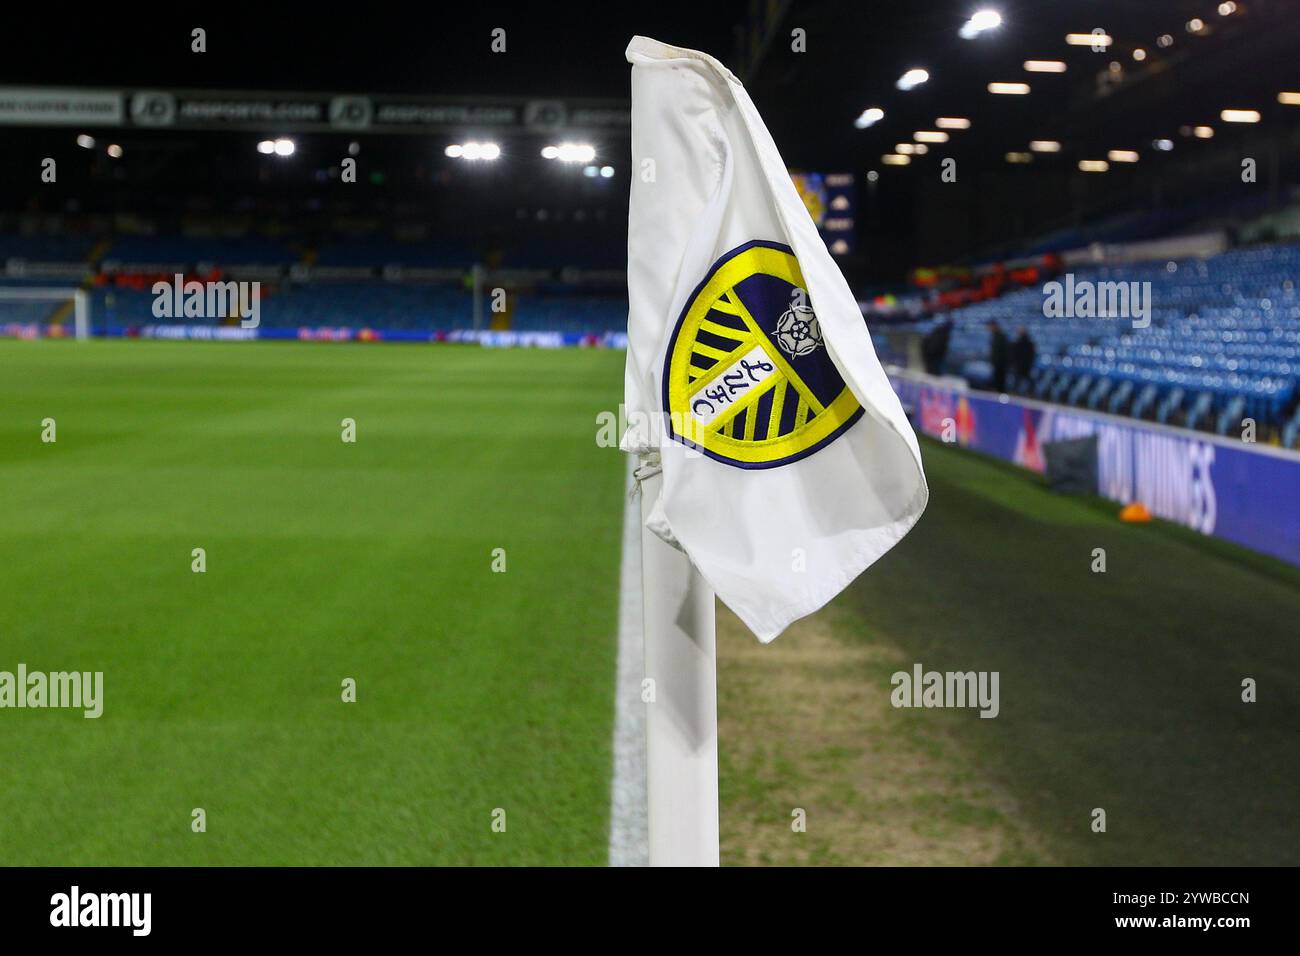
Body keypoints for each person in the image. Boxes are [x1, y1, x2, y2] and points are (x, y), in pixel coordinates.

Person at [1010, 325, 1037, 392]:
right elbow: (1013, 354)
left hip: (1025, 366)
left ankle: (1029, 392)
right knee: (1017, 380)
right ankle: (1016, 392)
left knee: (1025, 380)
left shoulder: (1029, 343)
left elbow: (1032, 355)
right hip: (1019, 365)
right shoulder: (1017, 342)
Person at [987, 320, 1009, 393]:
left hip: (1001, 364)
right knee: (996, 381)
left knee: (1000, 383)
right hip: (996, 363)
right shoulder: (994, 336)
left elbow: (1005, 351)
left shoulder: (1002, 337)